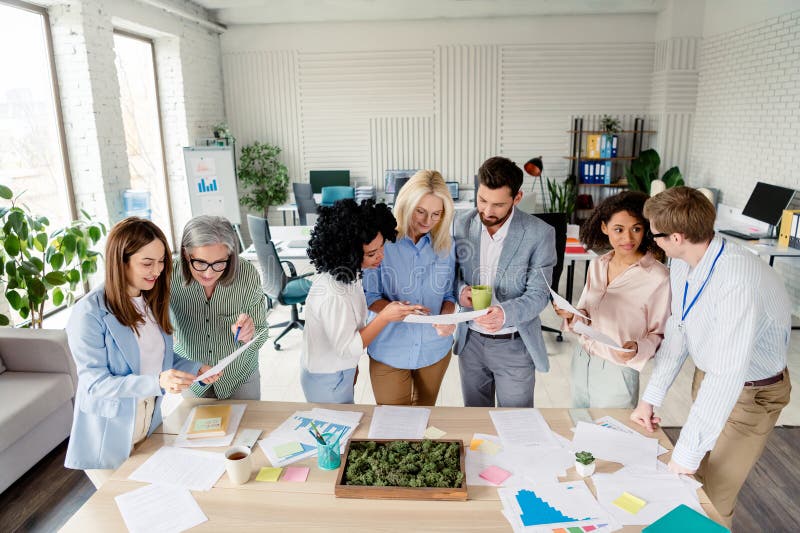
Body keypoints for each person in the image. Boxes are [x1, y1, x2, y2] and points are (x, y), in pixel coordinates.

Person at [630, 187, 792, 528]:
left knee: (713, 498)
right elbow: (679, 329)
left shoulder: (736, 278)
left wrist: (684, 455)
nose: (652, 241)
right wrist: (651, 398)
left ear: (676, 236)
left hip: (753, 394)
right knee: (692, 481)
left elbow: (728, 373)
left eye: (654, 233)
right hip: (708, 380)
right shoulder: (681, 261)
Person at [65, 218, 221, 488]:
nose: (157, 270)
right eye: (147, 263)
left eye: (161, 261)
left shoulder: (151, 299)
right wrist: (157, 382)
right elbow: (94, 383)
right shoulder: (89, 312)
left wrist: (195, 368)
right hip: (108, 437)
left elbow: (161, 361)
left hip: (148, 425)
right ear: (120, 261)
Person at [454, 156, 556, 408]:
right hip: (470, 345)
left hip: (514, 345)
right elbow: (451, 275)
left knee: (516, 425)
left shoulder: (540, 233)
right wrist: (460, 291)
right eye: (482, 200)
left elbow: (539, 294)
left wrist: (504, 313)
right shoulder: (461, 224)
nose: (487, 211)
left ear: (517, 198)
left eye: (498, 204)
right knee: (476, 422)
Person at [553, 191, 671, 408]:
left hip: (618, 369)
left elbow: (662, 335)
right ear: (604, 227)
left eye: (636, 228)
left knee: (612, 437)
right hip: (582, 359)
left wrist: (637, 348)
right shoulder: (598, 264)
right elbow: (586, 316)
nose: (628, 238)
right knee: (580, 428)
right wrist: (572, 315)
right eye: (619, 229)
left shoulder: (658, 277)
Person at [301, 199, 424, 403]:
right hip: (327, 378)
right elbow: (347, 348)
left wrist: (352, 366)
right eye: (371, 254)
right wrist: (384, 316)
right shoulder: (334, 294)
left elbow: (346, 331)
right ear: (349, 253)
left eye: (382, 247)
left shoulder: (351, 274)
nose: (381, 257)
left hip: (341, 369)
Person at [363, 170, 457, 406]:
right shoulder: (382, 242)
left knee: (424, 421)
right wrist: (398, 310)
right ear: (406, 204)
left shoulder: (447, 244)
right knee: (394, 428)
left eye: (436, 214)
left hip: (434, 350)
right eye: (421, 211)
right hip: (390, 349)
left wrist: (446, 316)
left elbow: (448, 294)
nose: (427, 221)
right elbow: (371, 296)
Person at [170, 215, 268, 400]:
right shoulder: (169, 276)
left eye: (219, 263)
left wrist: (251, 334)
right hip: (192, 377)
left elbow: (262, 333)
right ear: (185, 253)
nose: (208, 273)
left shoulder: (247, 274)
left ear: (230, 256)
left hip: (240, 377)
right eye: (199, 263)